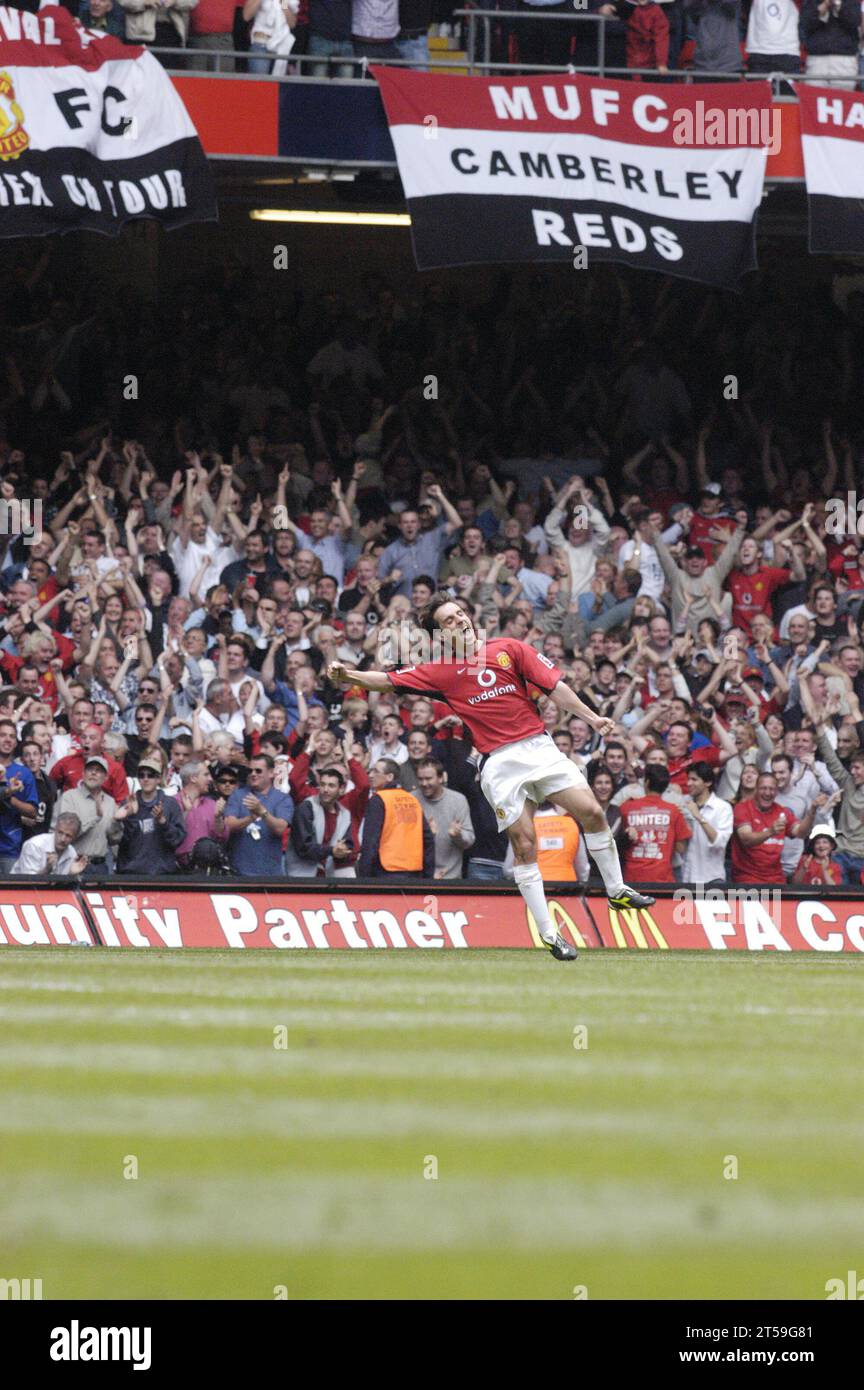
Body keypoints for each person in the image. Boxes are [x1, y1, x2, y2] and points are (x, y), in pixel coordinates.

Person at [328, 592, 655, 964]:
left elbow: (554, 687)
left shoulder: (510, 648)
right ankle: (550, 934)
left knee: (593, 813)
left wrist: (592, 717)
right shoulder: (440, 671)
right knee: (525, 844)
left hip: (539, 748)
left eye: (461, 613)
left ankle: (616, 890)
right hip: (499, 763)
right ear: (439, 635)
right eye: (449, 620)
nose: (460, 620)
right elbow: (387, 680)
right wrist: (349, 675)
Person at [731, 771, 821, 884]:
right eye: (763, 788)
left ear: (776, 792)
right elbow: (746, 839)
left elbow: (801, 833)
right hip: (747, 879)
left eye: (772, 789)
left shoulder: (782, 811)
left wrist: (812, 811)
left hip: (776, 880)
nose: (768, 793)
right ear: (756, 790)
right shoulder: (742, 808)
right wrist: (770, 831)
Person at [357, 758, 434, 879]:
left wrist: (363, 876)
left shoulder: (379, 800)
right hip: (414, 872)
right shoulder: (412, 799)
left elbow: (371, 841)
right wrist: (428, 877)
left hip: (386, 870)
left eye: (376, 771)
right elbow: (427, 839)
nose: (370, 775)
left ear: (389, 777)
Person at [223, 753, 294, 877]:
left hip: (270, 873)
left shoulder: (283, 799)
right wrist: (251, 818)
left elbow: (280, 828)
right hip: (238, 871)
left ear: (271, 773)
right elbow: (230, 825)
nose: (253, 774)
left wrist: (262, 812)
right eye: (250, 770)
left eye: (258, 771)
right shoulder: (237, 795)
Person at [618, 764, 691, 883]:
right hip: (662, 880)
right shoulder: (674, 811)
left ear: (646, 782)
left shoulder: (626, 807)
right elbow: (680, 848)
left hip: (632, 879)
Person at [115, 758, 187, 874]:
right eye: (141, 775)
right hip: (131, 874)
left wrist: (163, 822)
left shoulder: (170, 804)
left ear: (158, 778)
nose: (146, 779)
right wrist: (129, 816)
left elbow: (177, 840)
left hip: (162, 874)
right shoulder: (128, 803)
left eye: (151, 775)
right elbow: (121, 840)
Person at [285, 766, 357, 876]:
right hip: (300, 874)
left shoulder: (345, 814)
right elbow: (304, 847)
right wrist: (332, 851)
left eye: (331, 786)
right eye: (322, 785)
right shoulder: (306, 807)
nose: (325, 790)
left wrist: (344, 850)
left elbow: (348, 844)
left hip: (327, 874)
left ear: (341, 789)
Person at [411, 757, 475, 879]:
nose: (424, 783)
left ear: (440, 778)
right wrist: (427, 835)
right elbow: (405, 843)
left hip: (451, 876)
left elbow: (469, 840)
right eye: (420, 779)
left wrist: (457, 835)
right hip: (420, 877)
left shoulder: (458, 800)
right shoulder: (411, 800)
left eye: (429, 779)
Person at [679, 760, 733, 884]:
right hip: (686, 877)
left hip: (712, 879)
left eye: (694, 779)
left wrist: (699, 817)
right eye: (688, 779)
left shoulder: (723, 807)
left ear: (708, 782)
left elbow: (719, 842)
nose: (689, 783)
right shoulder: (683, 802)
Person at [0, 718, 38, 871]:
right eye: (2, 735)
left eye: (12, 736)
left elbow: (33, 812)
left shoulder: (24, 773)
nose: (7, 739)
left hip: (10, 848)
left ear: (16, 742)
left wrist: (10, 798)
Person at [11, 813, 86, 876]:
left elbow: (60, 886)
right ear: (55, 830)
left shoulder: (72, 853)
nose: (63, 839)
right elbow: (28, 882)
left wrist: (70, 874)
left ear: (74, 838)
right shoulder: (34, 845)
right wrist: (47, 870)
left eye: (68, 836)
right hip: (18, 890)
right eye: (60, 832)